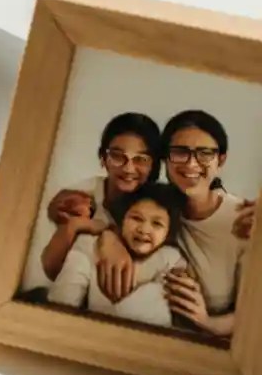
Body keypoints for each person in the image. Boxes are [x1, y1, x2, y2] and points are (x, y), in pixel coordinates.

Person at [96, 110, 251, 338]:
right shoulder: (156, 203)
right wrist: (109, 237)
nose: (191, 163)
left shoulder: (244, 221)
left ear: (221, 160)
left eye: (205, 153)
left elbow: (253, 313)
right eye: (180, 152)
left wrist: (207, 322)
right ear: (166, 159)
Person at [39, 112, 162, 281]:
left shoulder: (160, 205)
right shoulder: (80, 197)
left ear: (154, 165)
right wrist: (74, 225)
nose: (128, 168)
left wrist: (109, 234)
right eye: (118, 156)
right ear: (103, 158)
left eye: (141, 159)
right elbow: (51, 269)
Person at [48, 183, 187, 327]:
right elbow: (60, 305)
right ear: (121, 221)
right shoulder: (89, 246)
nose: (144, 229)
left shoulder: (172, 260)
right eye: (136, 218)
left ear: (168, 233)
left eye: (157, 224)